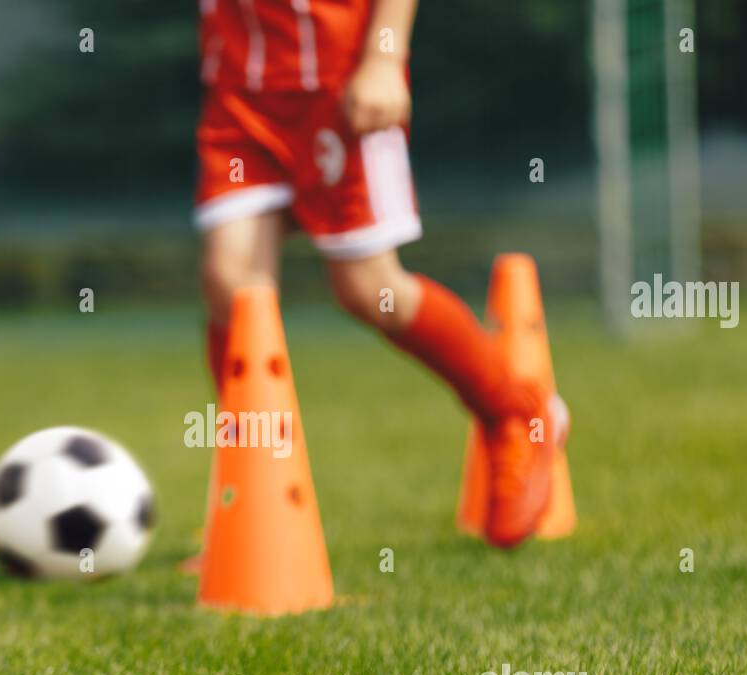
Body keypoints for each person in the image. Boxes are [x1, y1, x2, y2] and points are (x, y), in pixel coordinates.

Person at [194, 0, 567, 547]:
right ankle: (255, 515)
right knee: (230, 284)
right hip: (240, 95)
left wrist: (383, 57)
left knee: (370, 290)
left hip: (339, 84)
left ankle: (516, 412)